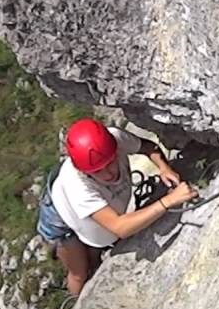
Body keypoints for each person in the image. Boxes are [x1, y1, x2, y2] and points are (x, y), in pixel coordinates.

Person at [36, 118, 199, 295]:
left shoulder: (115, 139)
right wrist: (168, 201)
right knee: (79, 273)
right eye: (98, 171)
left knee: (94, 256)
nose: (108, 174)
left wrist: (164, 167)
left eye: (111, 162)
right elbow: (120, 227)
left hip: (87, 211)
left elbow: (147, 147)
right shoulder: (78, 186)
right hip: (60, 216)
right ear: (84, 171)